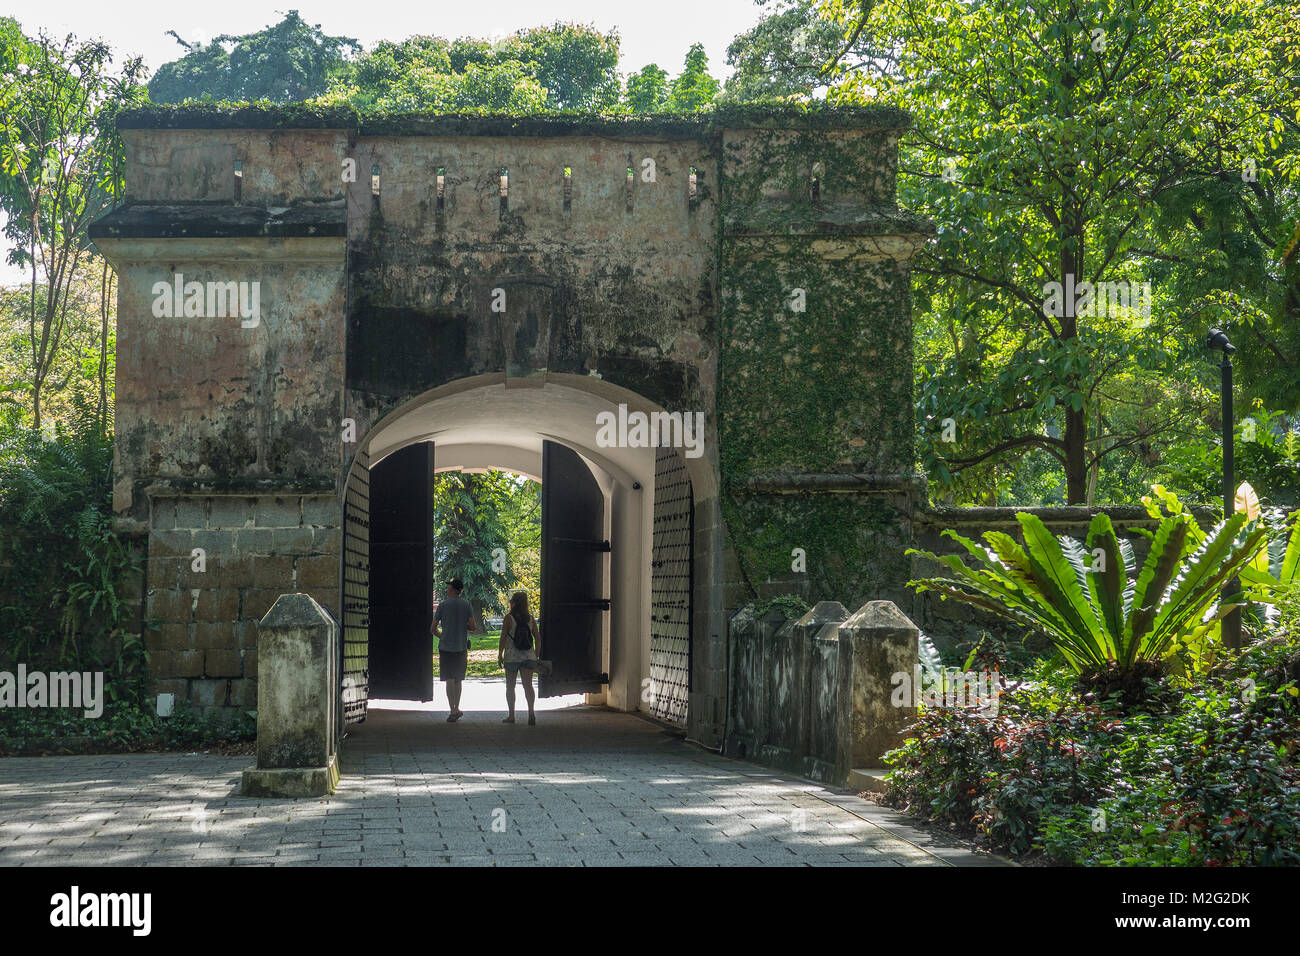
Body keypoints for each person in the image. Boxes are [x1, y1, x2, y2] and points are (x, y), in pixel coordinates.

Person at [432, 578, 476, 722]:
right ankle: (457, 707)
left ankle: (452, 710)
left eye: (448, 586)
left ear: (453, 589)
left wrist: (442, 636)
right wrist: (463, 626)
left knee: (449, 679)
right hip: (461, 647)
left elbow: (432, 628)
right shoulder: (466, 605)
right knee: (458, 679)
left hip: (445, 648)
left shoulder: (443, 605)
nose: (447, 588)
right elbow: (472, 626)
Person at [498, 590, 540, 725]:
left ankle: (511, 715)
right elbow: (538, 639)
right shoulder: (531, 619)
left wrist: (500, 654)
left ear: (514, 603)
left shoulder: (508, 618)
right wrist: (536, 655)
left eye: (511, 601)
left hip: (512, 657)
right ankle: (531, 713)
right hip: (528, 656)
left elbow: (503, 637)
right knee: (528, 686)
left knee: (510, 686)